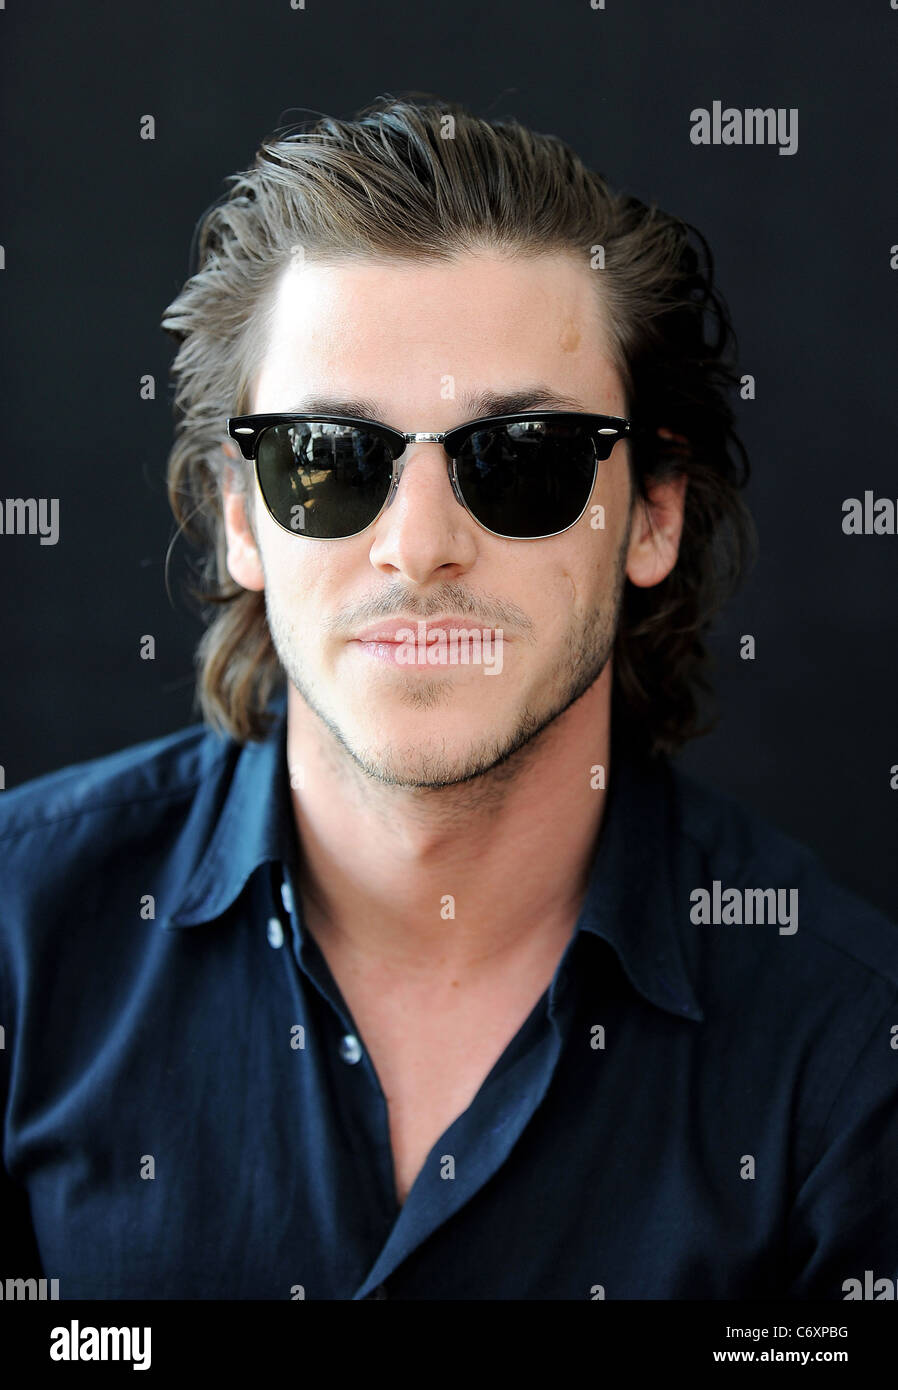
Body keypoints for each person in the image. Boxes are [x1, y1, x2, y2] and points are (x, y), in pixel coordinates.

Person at [1, 96, 895, 1301]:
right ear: (238, 513)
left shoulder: (848, 1046)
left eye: (519, 455)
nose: (419, 547)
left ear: (654, 513)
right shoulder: (19, 939)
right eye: (327, 456)